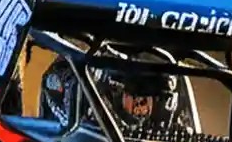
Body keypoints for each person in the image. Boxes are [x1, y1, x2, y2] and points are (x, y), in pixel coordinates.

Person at [36, 55, 194, 134]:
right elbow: (52, 81)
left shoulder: (167, 121)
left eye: (145, 108)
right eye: (140, 101)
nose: (139, 108)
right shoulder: (90, 78)